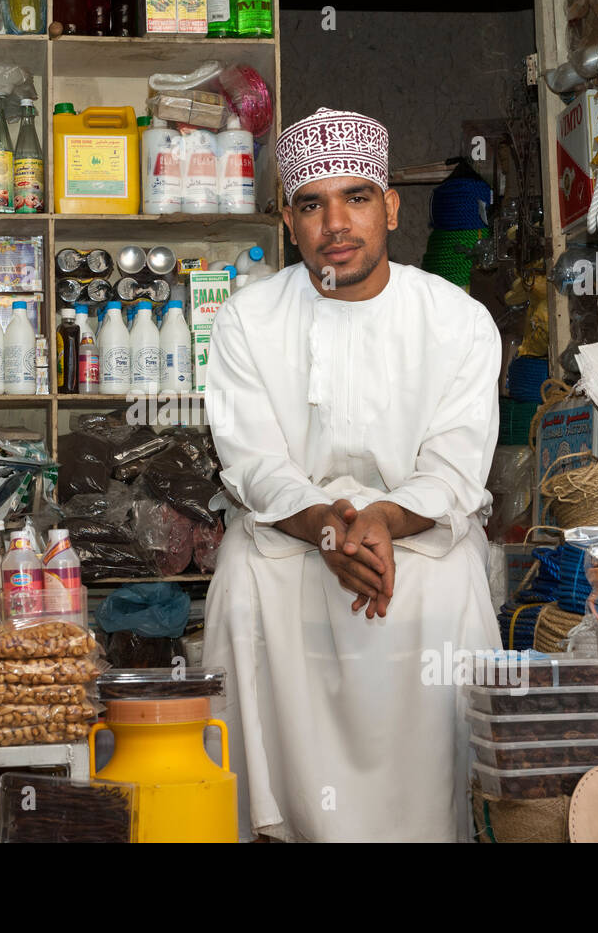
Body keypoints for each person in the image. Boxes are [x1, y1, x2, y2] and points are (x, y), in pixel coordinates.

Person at [203, 107, 502, 843]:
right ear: (287, 219)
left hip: (415, 542)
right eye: (312, 204)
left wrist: (385, 521)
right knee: (242, 573)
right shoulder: (247, 319)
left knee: (459, 572)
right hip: (296, 542)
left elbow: (455, 465)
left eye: (357, 197)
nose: (336, 223)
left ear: (392, 208)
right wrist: (331, 526)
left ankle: (436, 822)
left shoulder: (459, 320)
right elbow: (255, 462)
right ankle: (273, 826)